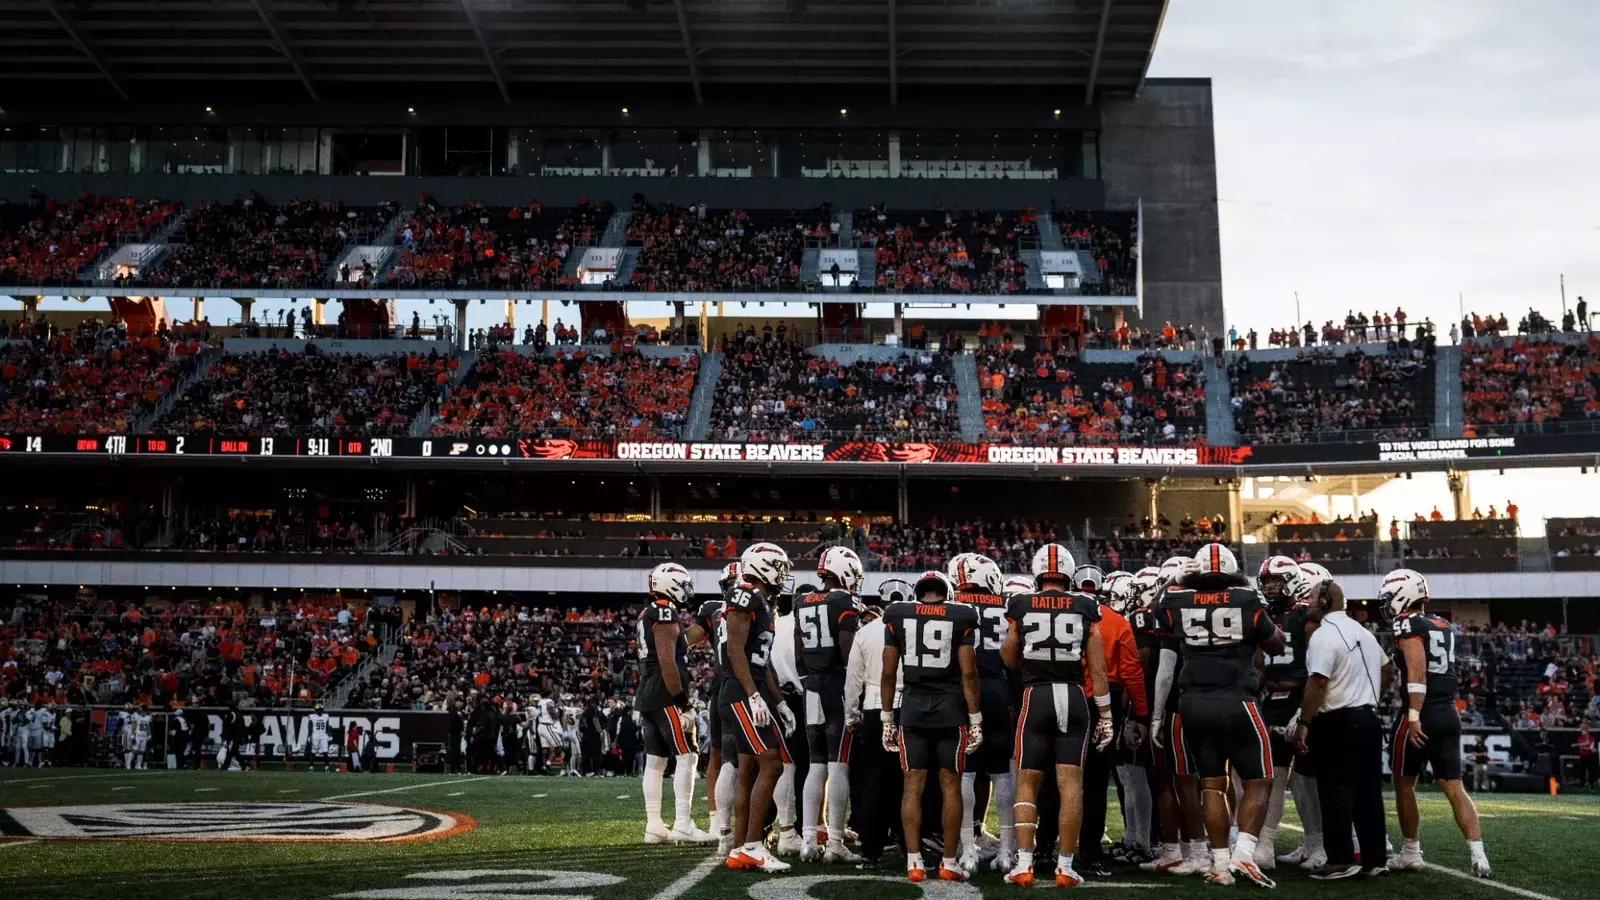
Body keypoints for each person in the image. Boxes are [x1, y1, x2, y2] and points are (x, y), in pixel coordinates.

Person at [1152, 544, 1284, 887]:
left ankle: (1221, 864)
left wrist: (1179, 580)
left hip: (1192, 702)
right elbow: (1275, 645)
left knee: (1211, 784)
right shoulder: (1246, 598)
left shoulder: (1175, 600)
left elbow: (1158, 610)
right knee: (1260, 779)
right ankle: (1243, 855)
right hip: (1236, 698)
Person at [1000, 546, 1112, 888]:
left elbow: (1008, 657)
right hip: (1075, 697)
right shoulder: (1085, 605)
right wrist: (1106, 714)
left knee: (1028, 781)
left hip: (1037, 696)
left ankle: (1023, 863)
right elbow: (1098, 666)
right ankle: (1066, 865)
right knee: (1071, 784)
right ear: (1068, 573)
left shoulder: (1021, 604)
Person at [1382, 569, 1491, 877]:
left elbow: (1416, 673)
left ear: (1404, 594)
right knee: (1454, 785)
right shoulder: (1442, 624)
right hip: (1448, 712)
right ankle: (1478, 853)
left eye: (1390, 596)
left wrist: (1414, 716)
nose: (1388, 603)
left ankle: (1411, 852)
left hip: (1420, 712)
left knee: (1404, 784)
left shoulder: (1407, 623)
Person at [881, 570, 983, 883]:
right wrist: (976, 718)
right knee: (950, 784)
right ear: (945, 592)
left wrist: (887, 717)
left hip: (911, 707)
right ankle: (949, 862)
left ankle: (914, 862)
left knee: (912, 785)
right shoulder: (961, 615)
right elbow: (968, 673)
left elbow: (888, 672)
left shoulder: (897, 613)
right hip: (950, 709)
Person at [1289, 575, 1390, 879]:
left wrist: (1304, 722)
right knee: (1369, 793)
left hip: (1338, 720)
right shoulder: (1364, 632)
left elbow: (1318, 681)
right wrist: (1369, 698)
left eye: (1310, 597)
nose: (1306, 603)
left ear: (1323, 601)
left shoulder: (1324, 634)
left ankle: (1341, 860)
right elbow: (1388, 670)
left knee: (1336, 792)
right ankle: (1375, 860)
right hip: (1369, 719)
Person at [720, 542, 797, 873]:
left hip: (750, 690)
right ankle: (753, 845)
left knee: (751, 769)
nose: (783, 576)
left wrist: (779, 702)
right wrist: (753, 696)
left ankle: (740, 848)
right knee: (773, 764)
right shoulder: (746, 595)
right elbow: (735, 650)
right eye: (779, 568)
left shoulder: (763, 602)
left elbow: (762, 661)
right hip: (740, 691)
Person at [1073, 564, 1148, 878]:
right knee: (1095, 780)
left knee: (1058, 778)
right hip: (1106, 703)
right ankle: (1089, 850)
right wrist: (1141, 713)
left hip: (1066, 698)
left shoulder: (1061, 617)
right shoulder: (1117, 621)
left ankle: (1046, 848)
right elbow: (1132, 671)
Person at [794, 546, 867, 863]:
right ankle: (835, 844)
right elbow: (848, 651)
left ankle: (809, 839)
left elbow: (799, 651)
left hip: (812, 686)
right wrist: (857, 689)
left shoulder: (803, 600)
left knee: (816, 764)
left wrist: (807, 677)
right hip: (837, 686)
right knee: (839, 766)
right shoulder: (845, 601)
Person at [947, 552, 1015, 874]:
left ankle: (967, 850)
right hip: (998, 690)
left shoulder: (950, 609)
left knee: (967, 772)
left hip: (961, 694)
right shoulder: (1007, 606)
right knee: (1002, 771)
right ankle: (1006, 850)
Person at [637, 562, 715, 844]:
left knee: (655, 762)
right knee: (688, 756)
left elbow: (679, 642)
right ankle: (683, 822)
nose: (687, 590)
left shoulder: (649, 613)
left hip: (648, 692)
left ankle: (654, 825)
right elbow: (668, 661)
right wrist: (683, 703)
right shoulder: (664, 612)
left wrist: (702, 628)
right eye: (683, 584)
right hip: (665, 694)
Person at [1256, 556, 1326, 870]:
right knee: (1273, 776)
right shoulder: (1264, 615)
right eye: (1267, 580)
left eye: (1276, 580)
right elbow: (1258, 661)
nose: (1270, 586)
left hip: (1300, 698)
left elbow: (1318, 665)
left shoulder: (1306, 617)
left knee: (1310, 775)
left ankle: (1319, 844)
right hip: (1272, 699)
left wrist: (1305, 711)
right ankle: (1266, 845)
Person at [686, 562, 741, 853]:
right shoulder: (718, 608)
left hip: (725, 686)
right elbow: (689, 638)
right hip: (737, 684)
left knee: (724, 756)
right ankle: (718, 820)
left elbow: (687, 640)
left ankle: (721, 824)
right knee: (723, 755)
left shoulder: (714, 607)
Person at [844, 600, 900, 867]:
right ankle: (916, 846)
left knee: (875, 782)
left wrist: (852, 716)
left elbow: (853, 677)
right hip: (911, 707)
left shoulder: (866, 631)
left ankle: (871, 850)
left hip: (875, 708)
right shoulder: (913, 623)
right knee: (913, 782)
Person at [307, 703, 333, 771]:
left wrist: (330, 735)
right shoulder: (312, 716)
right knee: (313, 751)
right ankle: (311, 766)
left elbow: (327, 726)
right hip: (315, 734)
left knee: (325, 751)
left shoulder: (325, 716)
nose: (319, 711)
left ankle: (326, 767)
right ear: (316, 710)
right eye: (318, 710)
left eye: (320, 709)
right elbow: (310, 727)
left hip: (323, 735)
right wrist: (309, 736)